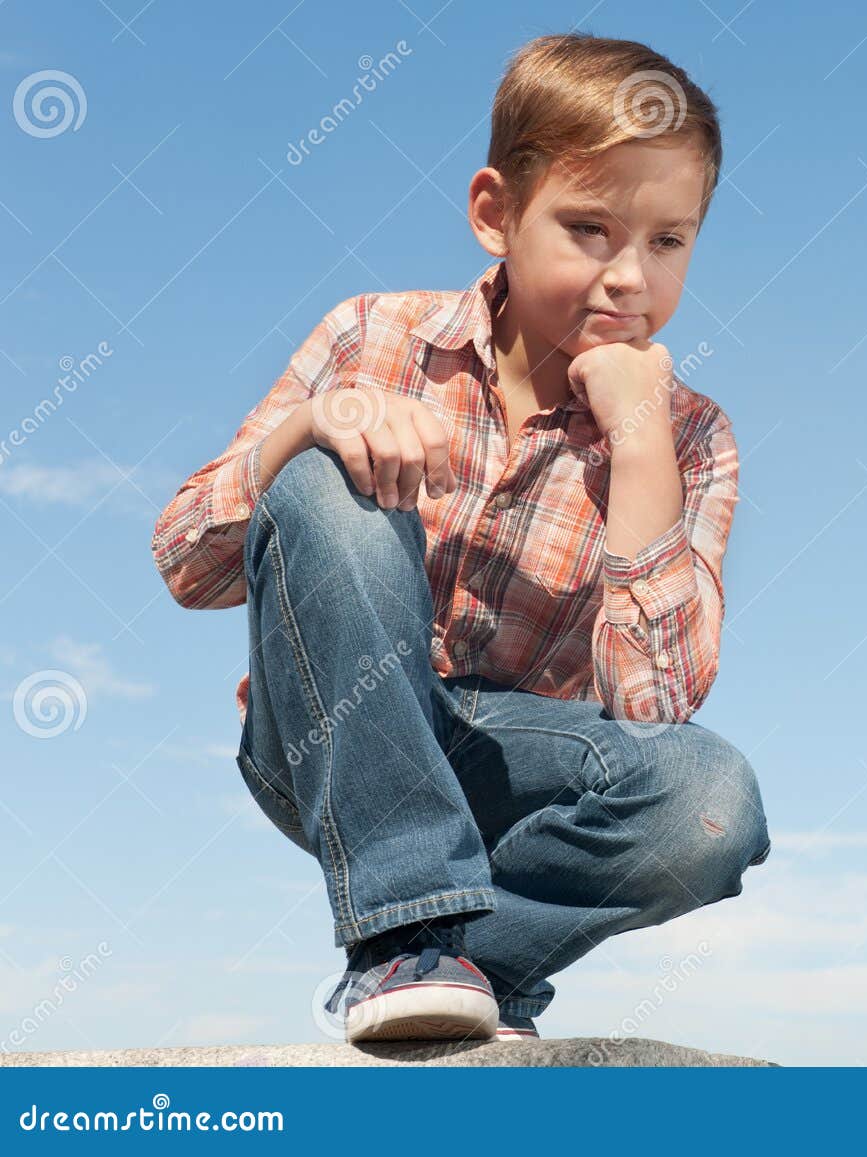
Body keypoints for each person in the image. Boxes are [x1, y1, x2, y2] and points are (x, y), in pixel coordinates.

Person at [150, 33, 771, 1043]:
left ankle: (462, 967)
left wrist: (640, 438)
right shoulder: (372, 336)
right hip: (328, 737)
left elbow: (653, 708)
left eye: (668, 241)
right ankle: (404, 935)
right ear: (496, 214)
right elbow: (185, 559)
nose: (630, 278)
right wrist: (308, 431)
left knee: (711, 800)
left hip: (516, 770)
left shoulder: (691, 435)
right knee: (322, 474)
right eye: (588, 229)